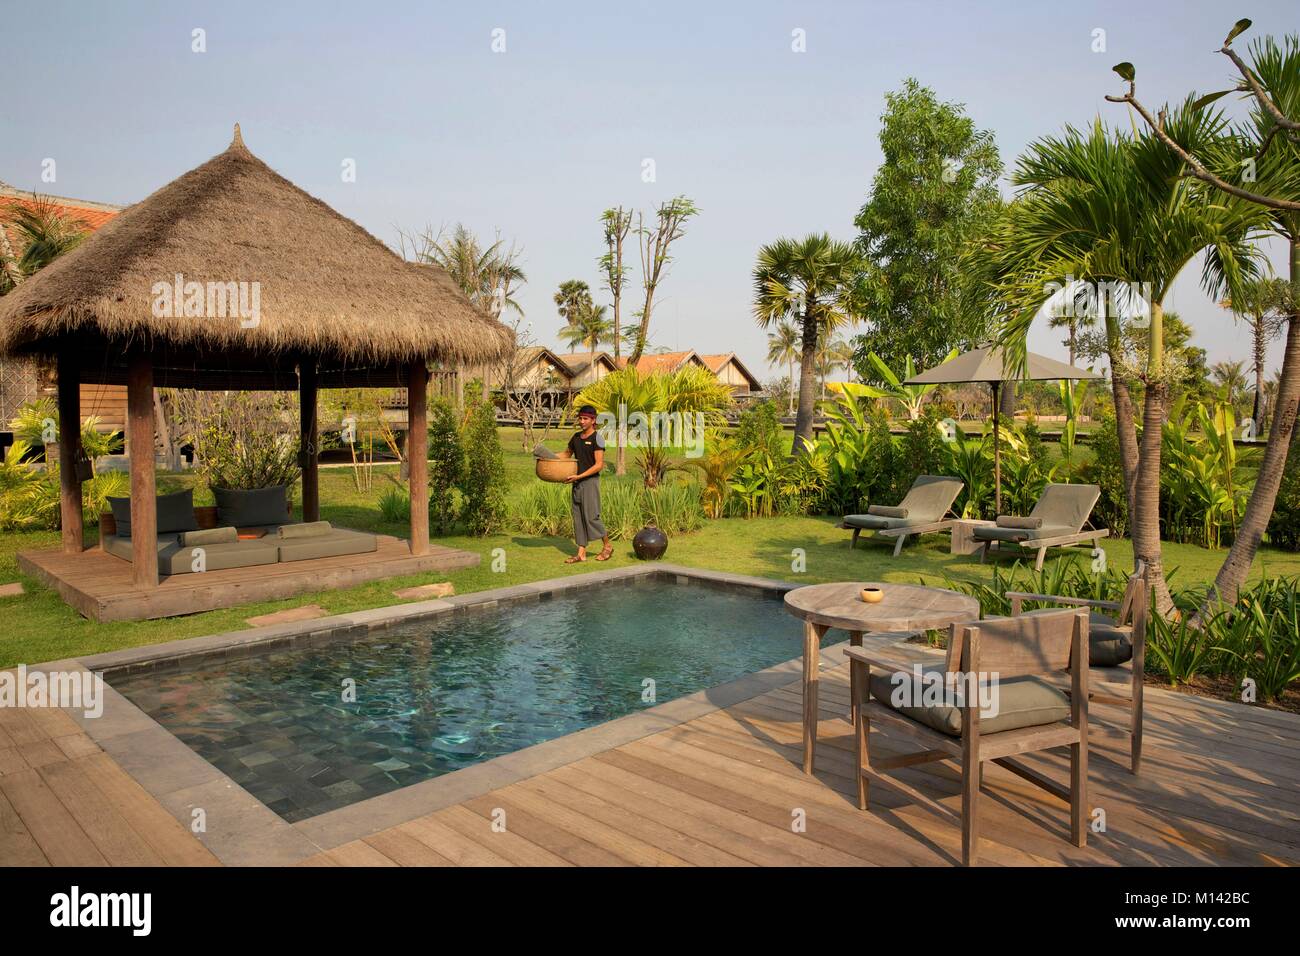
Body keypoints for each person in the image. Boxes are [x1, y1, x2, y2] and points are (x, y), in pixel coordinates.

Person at [559, 404, 612, 563]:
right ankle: (581, 554)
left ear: (593, 420)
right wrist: (546, 456)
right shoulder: (576, 437)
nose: (581, 421)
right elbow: (566, 454)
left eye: (585, 419)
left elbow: (598, 465)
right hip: (576, 483)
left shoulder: (597, 438)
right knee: (579, 517)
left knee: (591, 517)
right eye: (580, 418)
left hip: (589, 482)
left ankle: (607, 546)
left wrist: (579, 476)